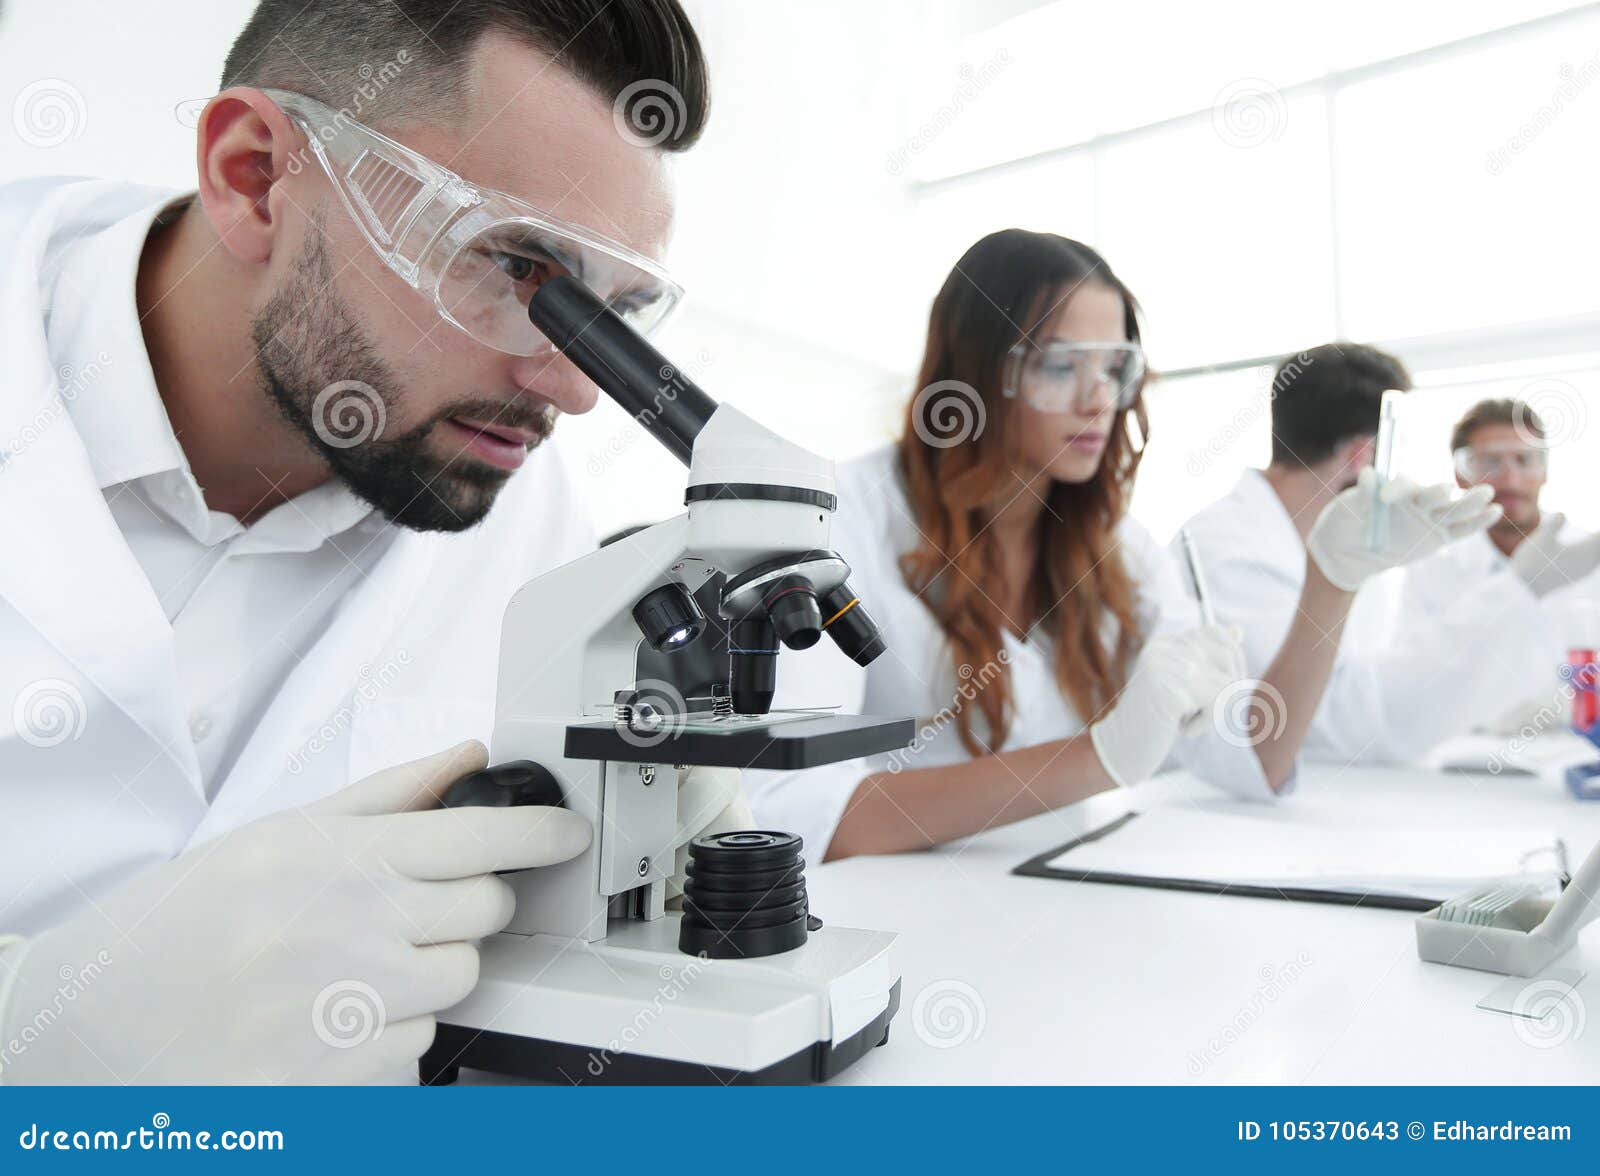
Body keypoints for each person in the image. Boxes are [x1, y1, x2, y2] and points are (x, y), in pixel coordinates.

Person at [0, 0, 732, 1083]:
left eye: (616, 314)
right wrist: (36, 1037)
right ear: (255, 177)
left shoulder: (518, 506)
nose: (574, 387)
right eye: (513, 267)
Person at [742, 231, 1498, 863]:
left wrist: (1332, 584)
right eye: (1060, 364)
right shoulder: (840, 521)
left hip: (1063, 918)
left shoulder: (1118, 552)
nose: (1098, 398)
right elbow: (799, 813)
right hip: (891, 933)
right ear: (972, 370)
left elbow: (1253, 756)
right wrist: (1096, 759)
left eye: (1115, 367)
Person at [1179, 347, 1566, 766]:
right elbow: (1328, 725)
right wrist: (1517, 595)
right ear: (1363, 454)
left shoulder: (1330, 542)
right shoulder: (1229, 552)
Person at [1399, 398, 1600, 730]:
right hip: (1457, 753)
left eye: (1524, 459)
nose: (1510, 476)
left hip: (1572, 755)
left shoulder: (1588, 557)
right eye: (1490, 462)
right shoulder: (1429, 568)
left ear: (1544, 471)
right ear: (1461, 474)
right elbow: (1409, 679)